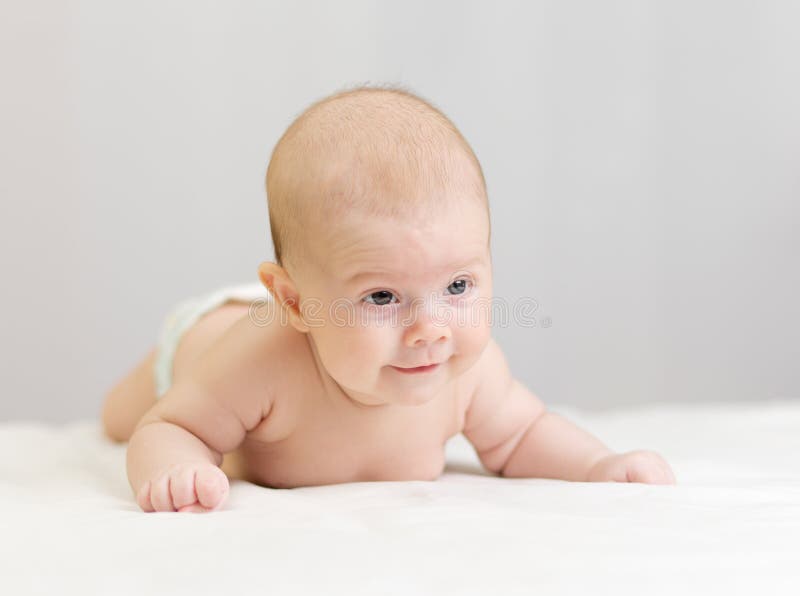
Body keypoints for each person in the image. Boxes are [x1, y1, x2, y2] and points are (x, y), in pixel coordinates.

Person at [102, 84, 676, 513]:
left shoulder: (466, 373)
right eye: (383, 296)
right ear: (295, 302)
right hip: (207, 332)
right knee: (121, 419)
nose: (430, 328)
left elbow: (523, 436)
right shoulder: (258, 364)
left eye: (457, 286)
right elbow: (172, 428)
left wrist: (599, 465)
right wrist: (174, 466)